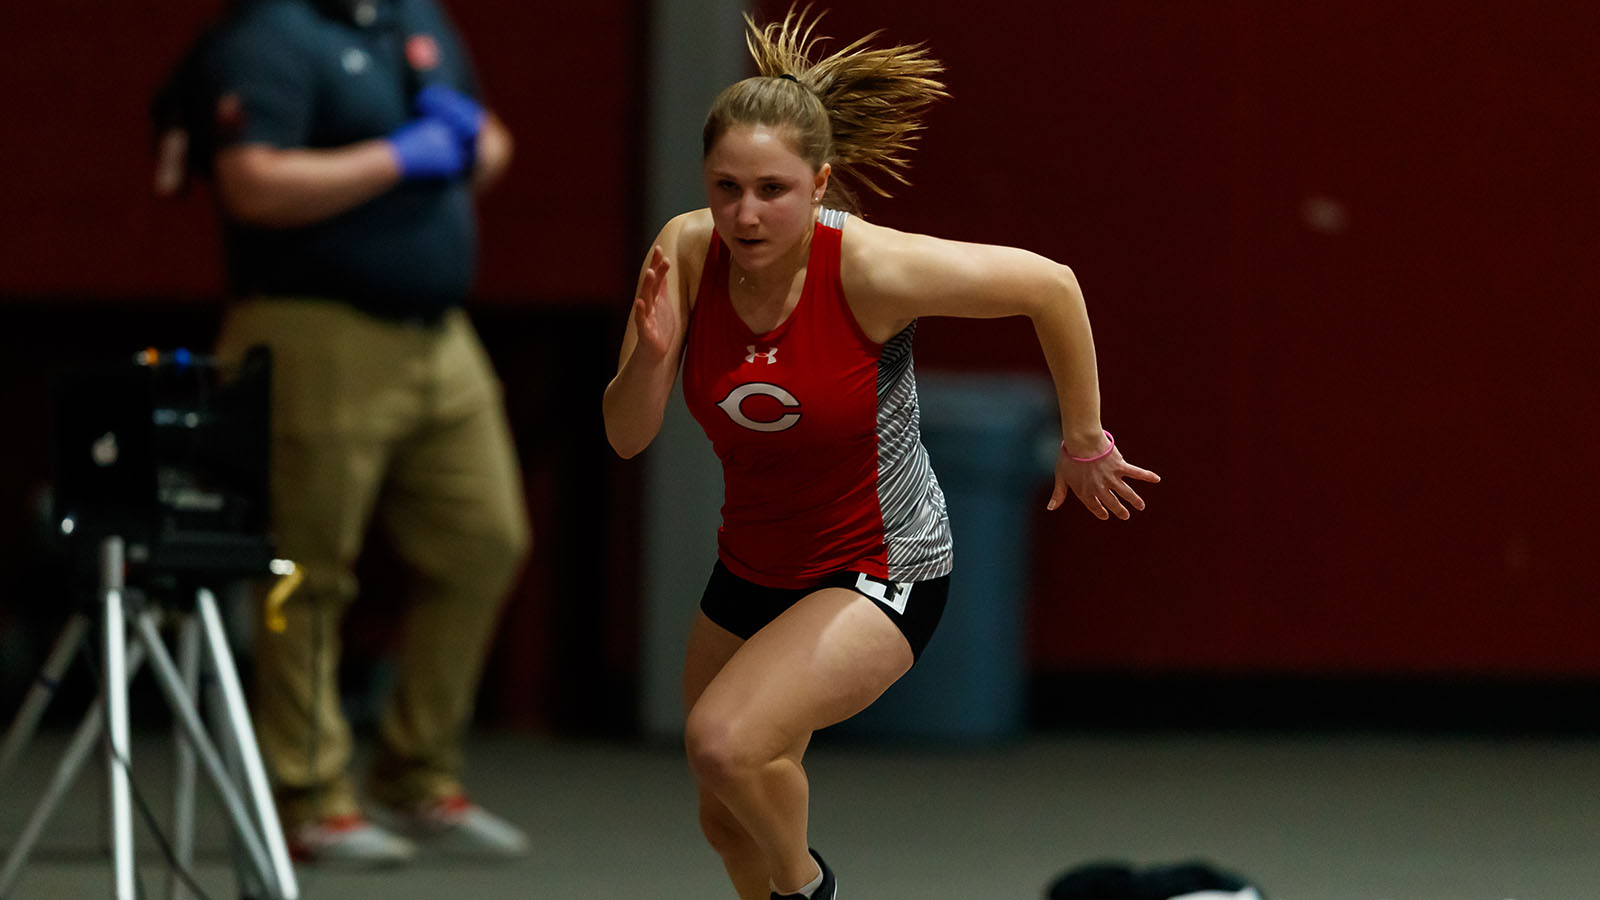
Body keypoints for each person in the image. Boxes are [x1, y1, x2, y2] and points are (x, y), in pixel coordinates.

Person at [602, 8, 1161, 900]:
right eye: (726, 186)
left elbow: (1050, 286)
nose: (746, 214)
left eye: (774, 190)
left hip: (880, 562)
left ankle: (809, 892)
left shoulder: (870, 268)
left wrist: (1085, 440)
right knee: (724, 809)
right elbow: (627, 436)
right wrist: (657, 358)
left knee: (725, 743)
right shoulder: (684, 252)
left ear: (818, 184)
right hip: (754, 563)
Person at [151, 0, 532, 866]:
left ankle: (417, 772)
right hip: (314, 330)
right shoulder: (270, 35)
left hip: (441, 338)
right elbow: (252, 184)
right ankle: (308, 794)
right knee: (306, 571)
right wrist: (397, 157)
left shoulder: (411, 21)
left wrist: (471, 142)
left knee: (485, 541)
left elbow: (494, 146)